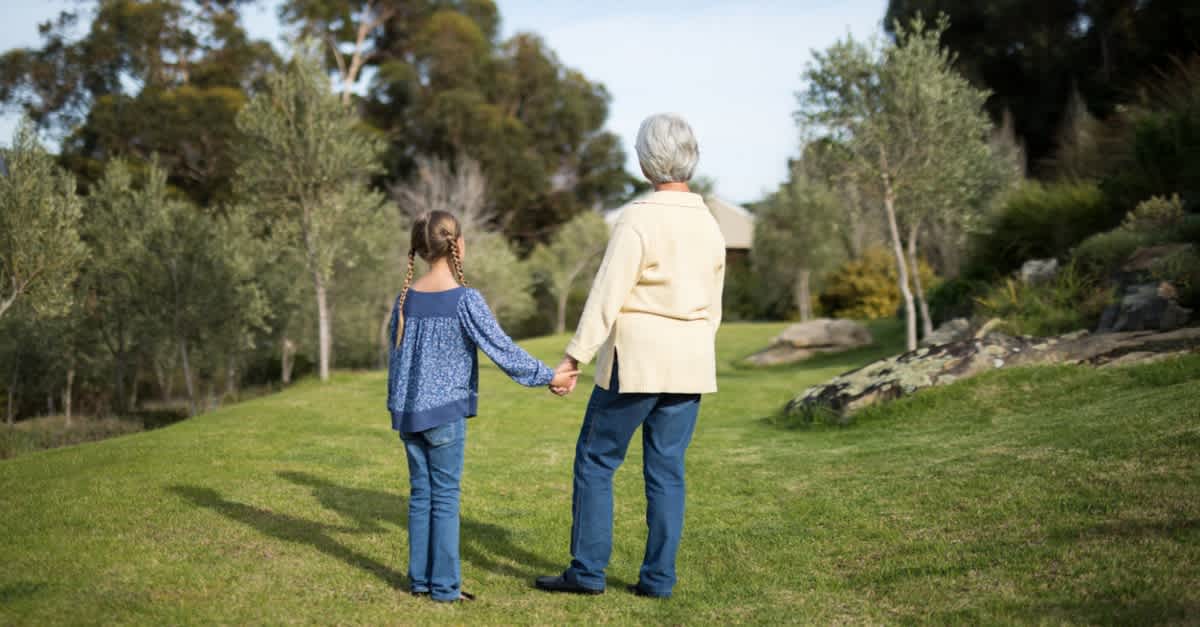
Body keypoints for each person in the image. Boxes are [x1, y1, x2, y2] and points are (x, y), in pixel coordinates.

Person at [535, 113, 726, 598]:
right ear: (691, 158)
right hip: (690, 363)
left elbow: (606, 294)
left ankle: (587, 572)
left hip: (637, 362)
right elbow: (715, 305)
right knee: (666, 470)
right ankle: (659, 580)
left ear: (645, 163)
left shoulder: (638, 218)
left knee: (597, 460)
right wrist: (697, 348)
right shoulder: (710, 224)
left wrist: (574, 357)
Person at [387, 210, 578, 603]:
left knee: (421, 494)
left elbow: (396, 351)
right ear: (457, 245)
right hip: (444, 415)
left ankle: (421, 582)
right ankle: (443, 588)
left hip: (408, 414)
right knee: (444, 497)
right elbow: (501, 348)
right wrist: (551, 376)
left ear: (420, 250)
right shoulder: (464, 300)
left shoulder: (406, 298)